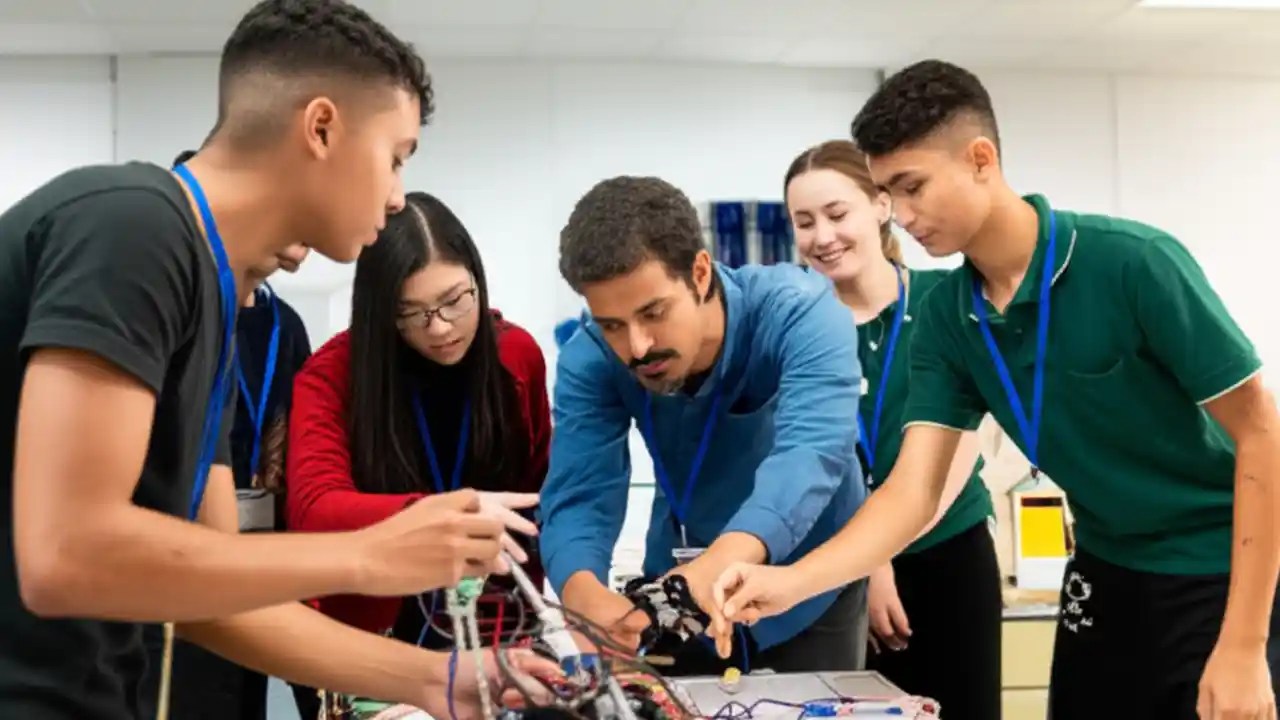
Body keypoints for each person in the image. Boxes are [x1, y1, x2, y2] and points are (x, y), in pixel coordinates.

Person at [0, 3, 550, 719]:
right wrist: (370, 554)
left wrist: (434, 680)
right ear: (321, 127)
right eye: (396, 156)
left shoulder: (213, 312)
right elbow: (66, 556)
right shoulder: (132, 225)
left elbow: (210, 595)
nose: (396, 197)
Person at [713, 59, 1280, 720]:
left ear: (981, 159)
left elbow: (1261, 433)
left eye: (913, 186)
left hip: (1220, 568)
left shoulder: (1132, 263)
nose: (901, 214)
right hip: (1103, 568)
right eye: (888, 192)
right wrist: (791, 582)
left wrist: (1243, 647)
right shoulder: (951, 317)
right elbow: (909, 491)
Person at [540, 175, 869, 676]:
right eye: (612, 325)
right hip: (680, 590)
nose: (637, 347)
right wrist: (584, 595)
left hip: (805, 591)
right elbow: (580, 490)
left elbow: (810, 456)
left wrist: (714, 568)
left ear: (698, 272)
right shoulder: (590, 357)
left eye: (653, 312)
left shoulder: (801, 313)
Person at [285, 191, 550, 717]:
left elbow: (537, 498)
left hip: (492, 632)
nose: (440, 327)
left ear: (477, 279)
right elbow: (314, 508)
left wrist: (533, 627)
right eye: (412, 313)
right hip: (367, 649)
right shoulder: (333, 375)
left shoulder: (514, 357)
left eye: (455, 300)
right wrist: (438, 517)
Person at [784, 139, 1001, 718]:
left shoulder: (945, 302)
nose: (821, 237)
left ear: (881, 206)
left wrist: (879, 554)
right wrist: (865, 564)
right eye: (803, 223)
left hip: (945, 552)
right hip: (837, 569)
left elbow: (956, 449)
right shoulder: (797, 329)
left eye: (836, 214)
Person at [136, 151, 318, 720]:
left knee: (242, 691)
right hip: (165, 550)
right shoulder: (160, 306)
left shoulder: (282, 324)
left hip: (252, 540)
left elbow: (294, 424)